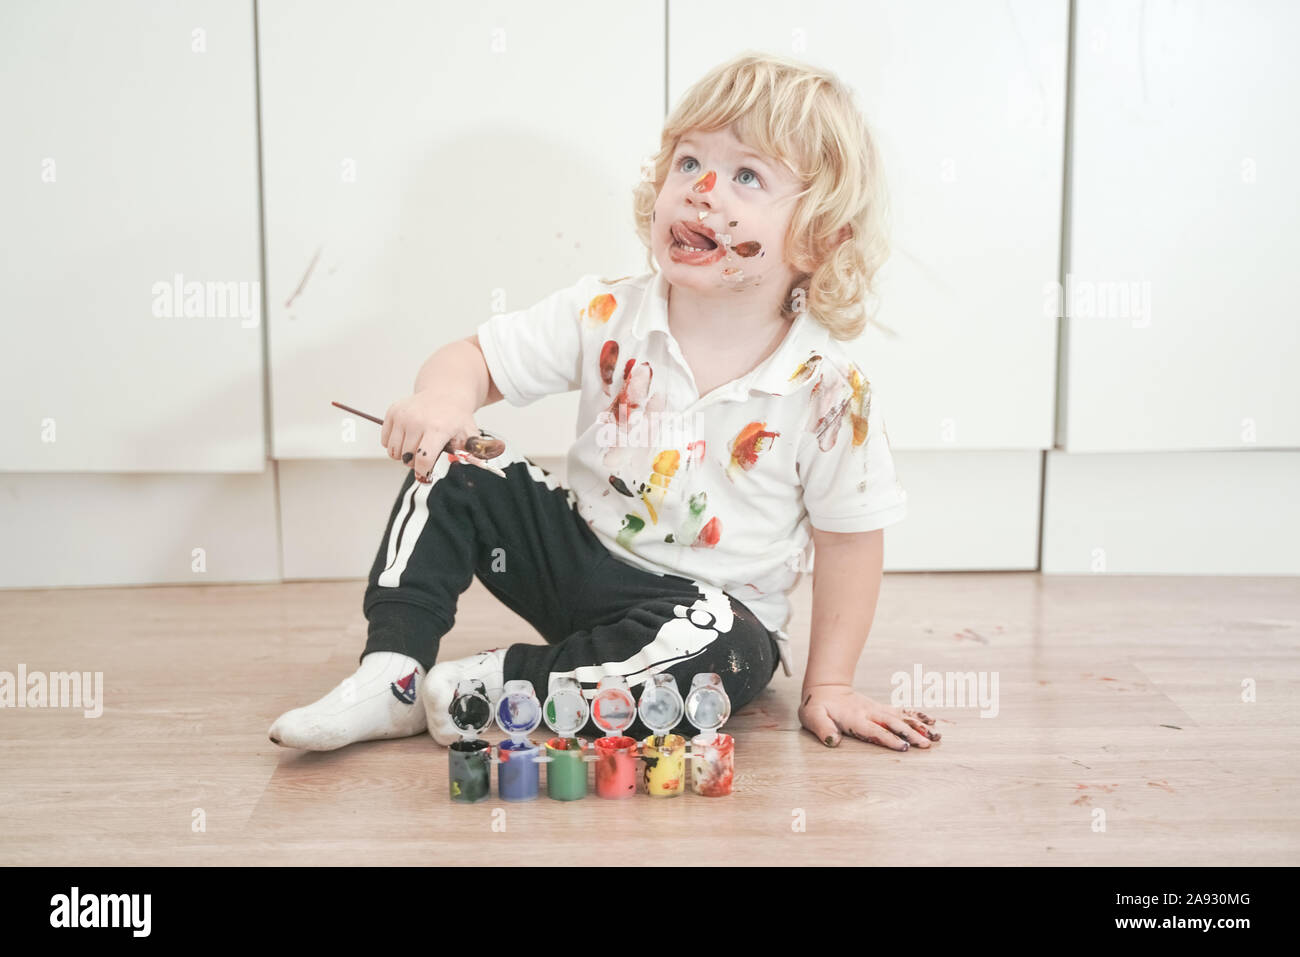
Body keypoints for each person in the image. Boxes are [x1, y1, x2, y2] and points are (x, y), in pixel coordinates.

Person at [269, 51, 939, 753]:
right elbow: (472, 359)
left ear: (820, 235)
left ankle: (502, 685)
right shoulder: (605, 311)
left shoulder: (829, 390)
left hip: (702, 619)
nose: (703, 189)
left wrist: (828, 685)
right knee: (456, 465)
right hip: (577, 564)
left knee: (731, 650)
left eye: (746, 175)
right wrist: (442, 400)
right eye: (687, 162)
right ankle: (396, 674)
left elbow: (850, 541)